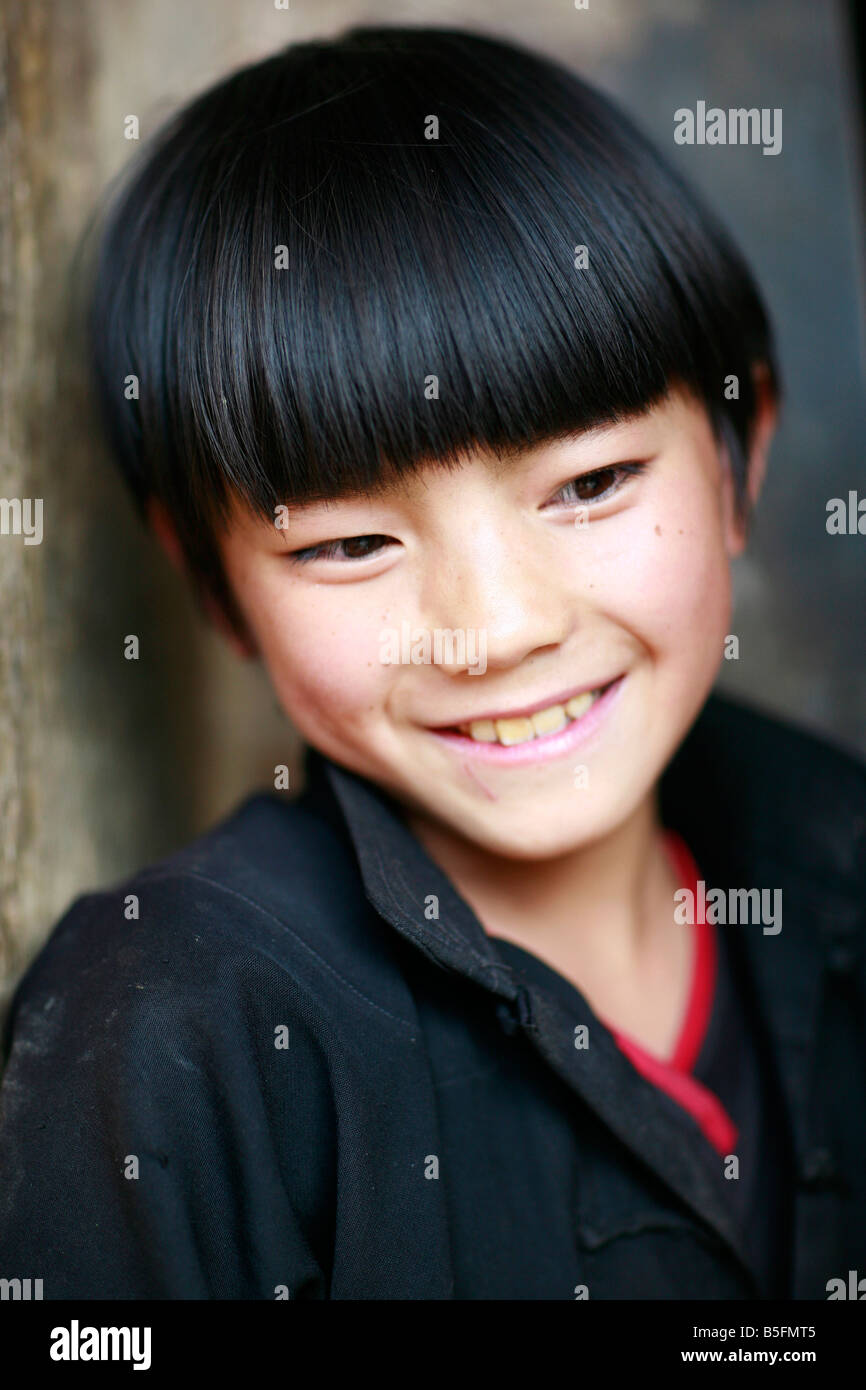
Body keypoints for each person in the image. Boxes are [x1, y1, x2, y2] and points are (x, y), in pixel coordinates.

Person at [1, 25, 863, 1300]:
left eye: (591, 483)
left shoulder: (834, 845)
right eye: (350, 543)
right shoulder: (171, 1032)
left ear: (741, 454)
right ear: (211, 584)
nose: (495, 627)